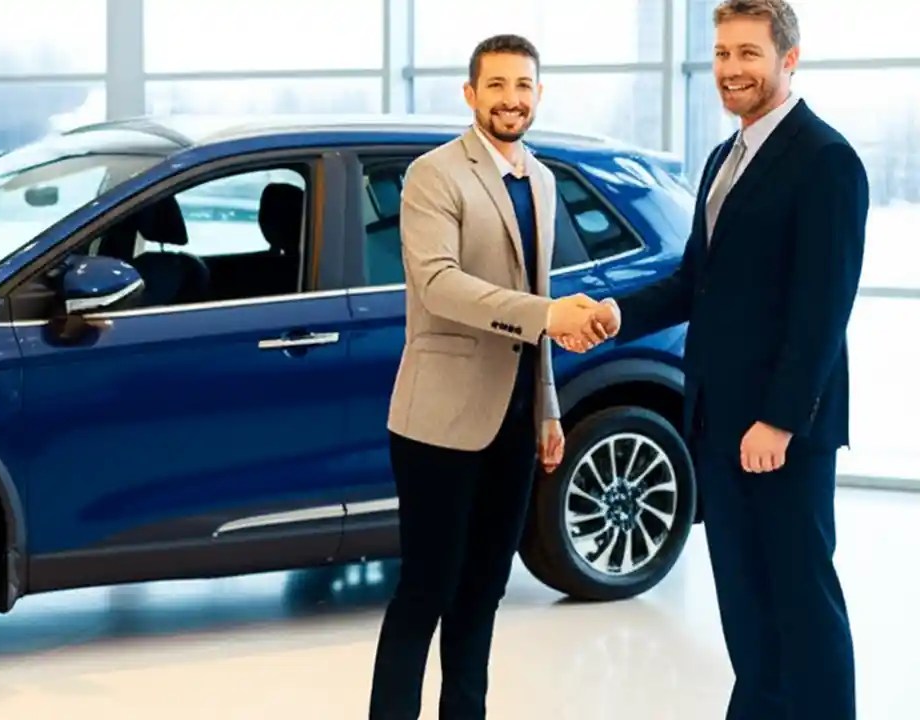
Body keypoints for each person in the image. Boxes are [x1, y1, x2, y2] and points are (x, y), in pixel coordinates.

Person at [582, 1, 866, 717]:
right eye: (721, 54)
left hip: (780, 431)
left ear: (788, 59)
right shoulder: (723, 159)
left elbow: (822, 311)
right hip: (717, 421)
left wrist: (779, 420)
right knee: (745, 603)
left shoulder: (826, 160)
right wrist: (615, 314)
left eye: (748, 53)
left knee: (802, 602)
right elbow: (695, 282)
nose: (731, 69)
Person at [367, 34, 608, 720]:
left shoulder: (543, 180)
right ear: (471, 94)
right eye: (497, 85)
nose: (511, 99)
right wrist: (547, 315)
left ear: (539, 94)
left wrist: (548, 407)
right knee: (427, 590)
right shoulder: (434, 175)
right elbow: (439, 285)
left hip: (515, 418)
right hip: (439, 420)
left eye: (523, 85)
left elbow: (537, 298)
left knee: (483, 591)